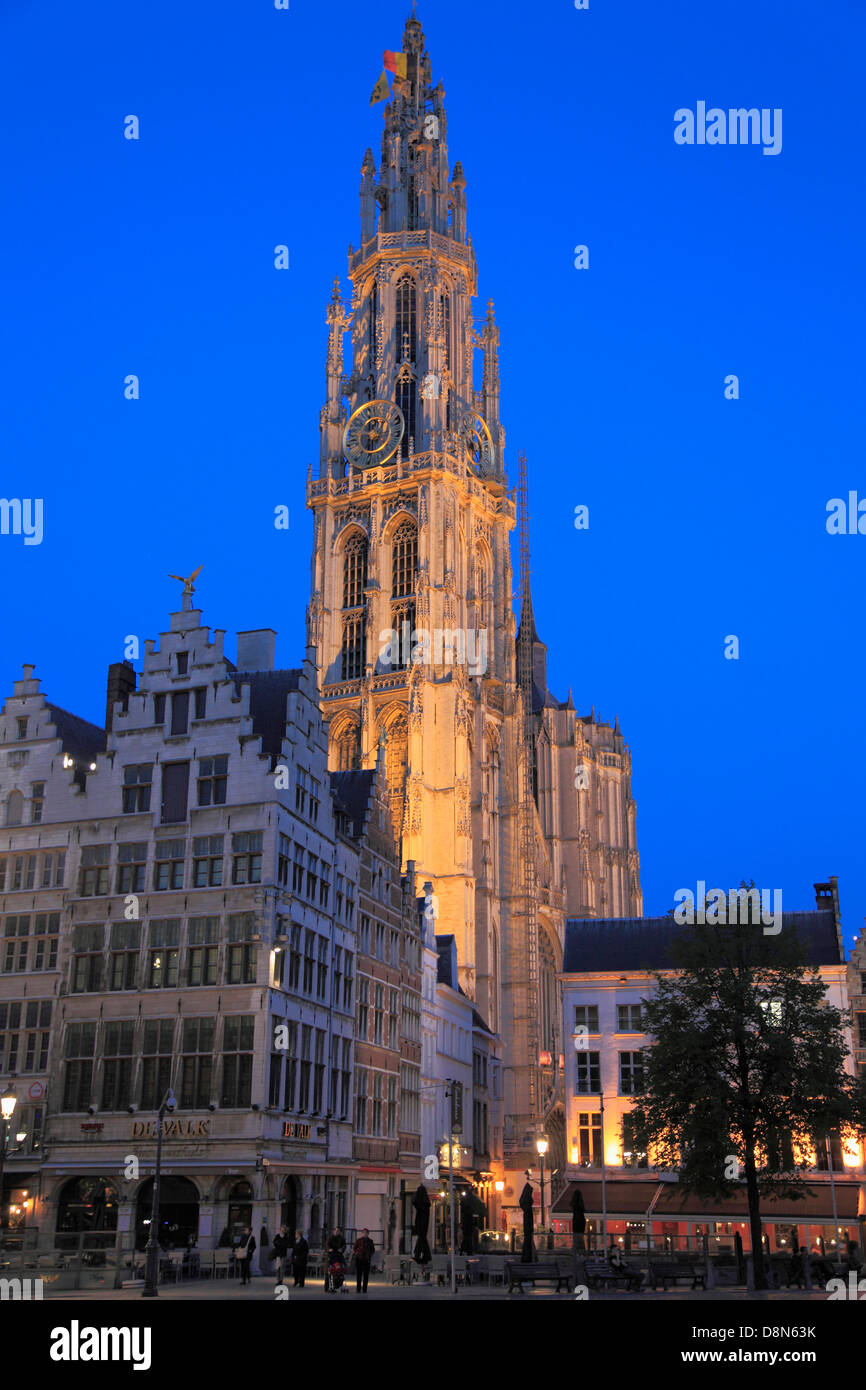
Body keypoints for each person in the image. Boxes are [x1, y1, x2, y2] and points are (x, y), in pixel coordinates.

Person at [353, 1228, 375, 1294]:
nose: (365, 1234)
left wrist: (369, 1255)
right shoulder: (358, 1240)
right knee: (359, 1275)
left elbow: (373, 1250)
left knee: (366, 1275)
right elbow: (354, 1248)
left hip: (366, 1259)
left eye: (366, 1233)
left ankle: (364, 1289)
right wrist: (357, 1253)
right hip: (359, 1259)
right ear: (362, 1233)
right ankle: (358, 1289)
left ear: (368, 1234)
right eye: (364, 1233)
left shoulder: (370, 1241)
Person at [325, 1226, 346, 1292]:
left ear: (340, 1232)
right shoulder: (330, 1238)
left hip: (338, 1256)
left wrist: (341, 1249)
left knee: (339, 1271)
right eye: (335, 1231)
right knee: (329, 1272)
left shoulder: (342, 1238)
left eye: (338, 1231)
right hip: (331, 1256)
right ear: (334, 1231)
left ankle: (336, 1286)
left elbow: (344, 1246)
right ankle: (328, 1287)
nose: (336, 1232)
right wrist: (329, 1249)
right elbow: (327, 1245)